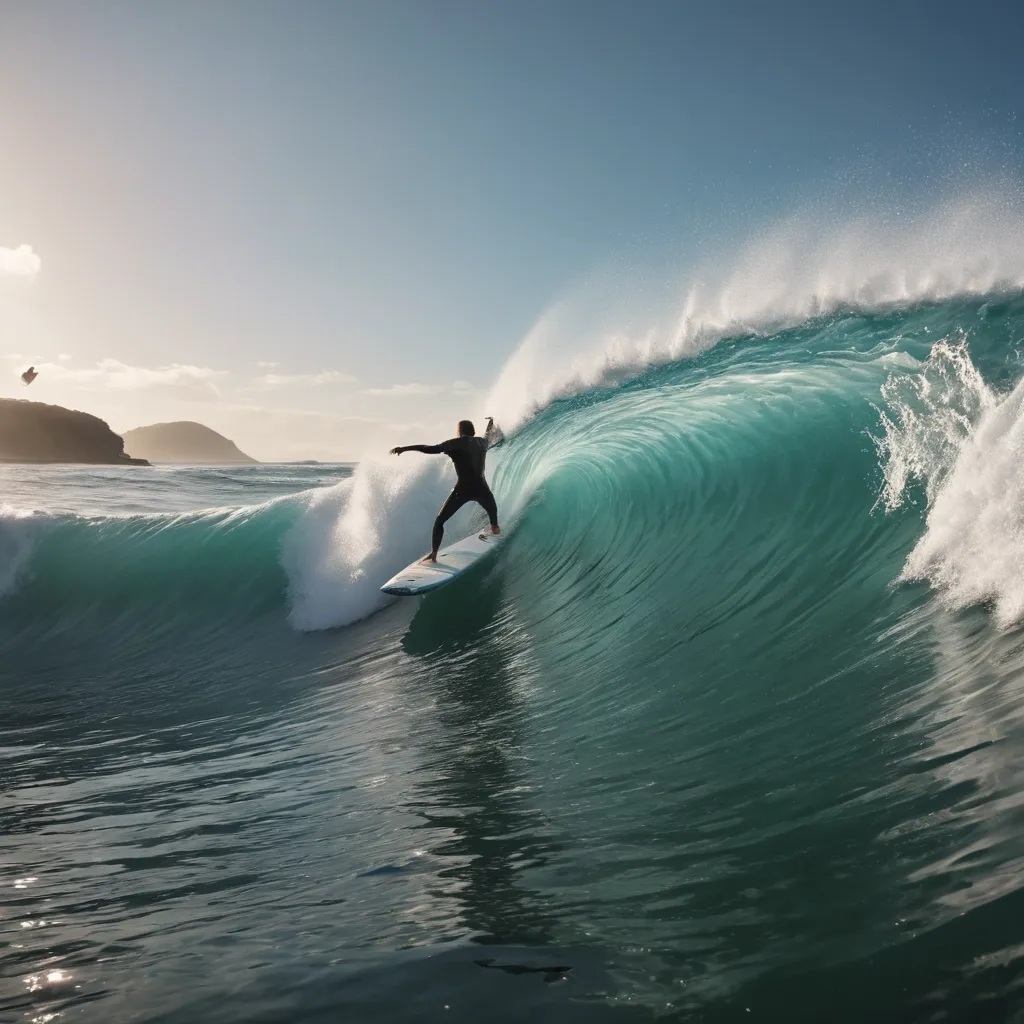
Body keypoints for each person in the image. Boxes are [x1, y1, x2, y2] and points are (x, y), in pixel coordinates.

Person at [391, 416, 504, 562]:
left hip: (462, 490)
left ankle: (434, 555)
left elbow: (429, 449)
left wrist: (404, 448)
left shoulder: (455, 443)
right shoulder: (482, 442)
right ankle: (494, 528)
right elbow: (488, 435)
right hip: (482, 489)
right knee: (492, 515)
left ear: (460, 432)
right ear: (473, 431)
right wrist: (491, 423)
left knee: (439, 521)